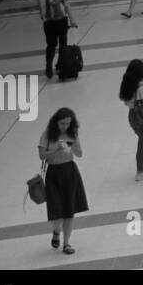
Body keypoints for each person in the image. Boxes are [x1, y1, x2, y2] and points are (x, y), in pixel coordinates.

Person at [38, 108, 87, 255]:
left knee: (69, 210)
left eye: (68, 123)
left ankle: (66, 243)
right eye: (62, 123)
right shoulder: (47, 134)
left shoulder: (72, 133)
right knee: (56, 210)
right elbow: (41, 155)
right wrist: (56, 150)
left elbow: (80, 154)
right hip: (53, 173)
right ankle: (56, 231)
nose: (65, 126)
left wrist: (72, 146)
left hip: (70, 172)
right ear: (56, 122)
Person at [119, 59, 143, 181]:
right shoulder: (140, 88)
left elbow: (129, 103)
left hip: (132, 116)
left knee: (142, 142)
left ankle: (142, 167)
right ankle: (140, 170)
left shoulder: (127, 85)